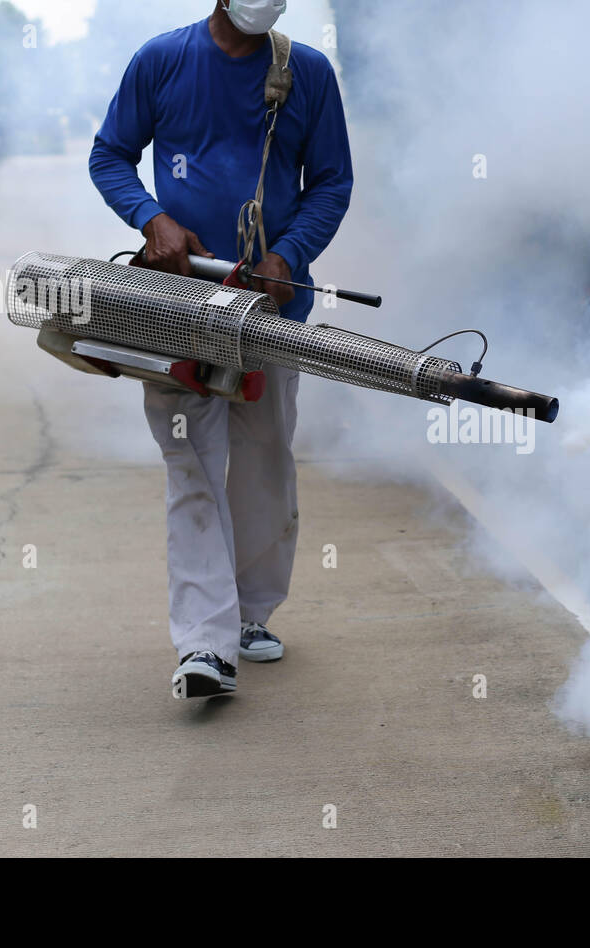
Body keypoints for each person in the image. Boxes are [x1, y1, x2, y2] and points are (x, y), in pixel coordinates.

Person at [89, 0, 353, 697]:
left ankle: (252, 614)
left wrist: (288, 254)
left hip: (272, 306)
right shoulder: (162, 60)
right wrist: (153, 220)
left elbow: (331, 182)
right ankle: (204, 643)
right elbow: (109, 155)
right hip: (179, 306)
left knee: (265, 456)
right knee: (192, 465)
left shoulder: (308, 74)